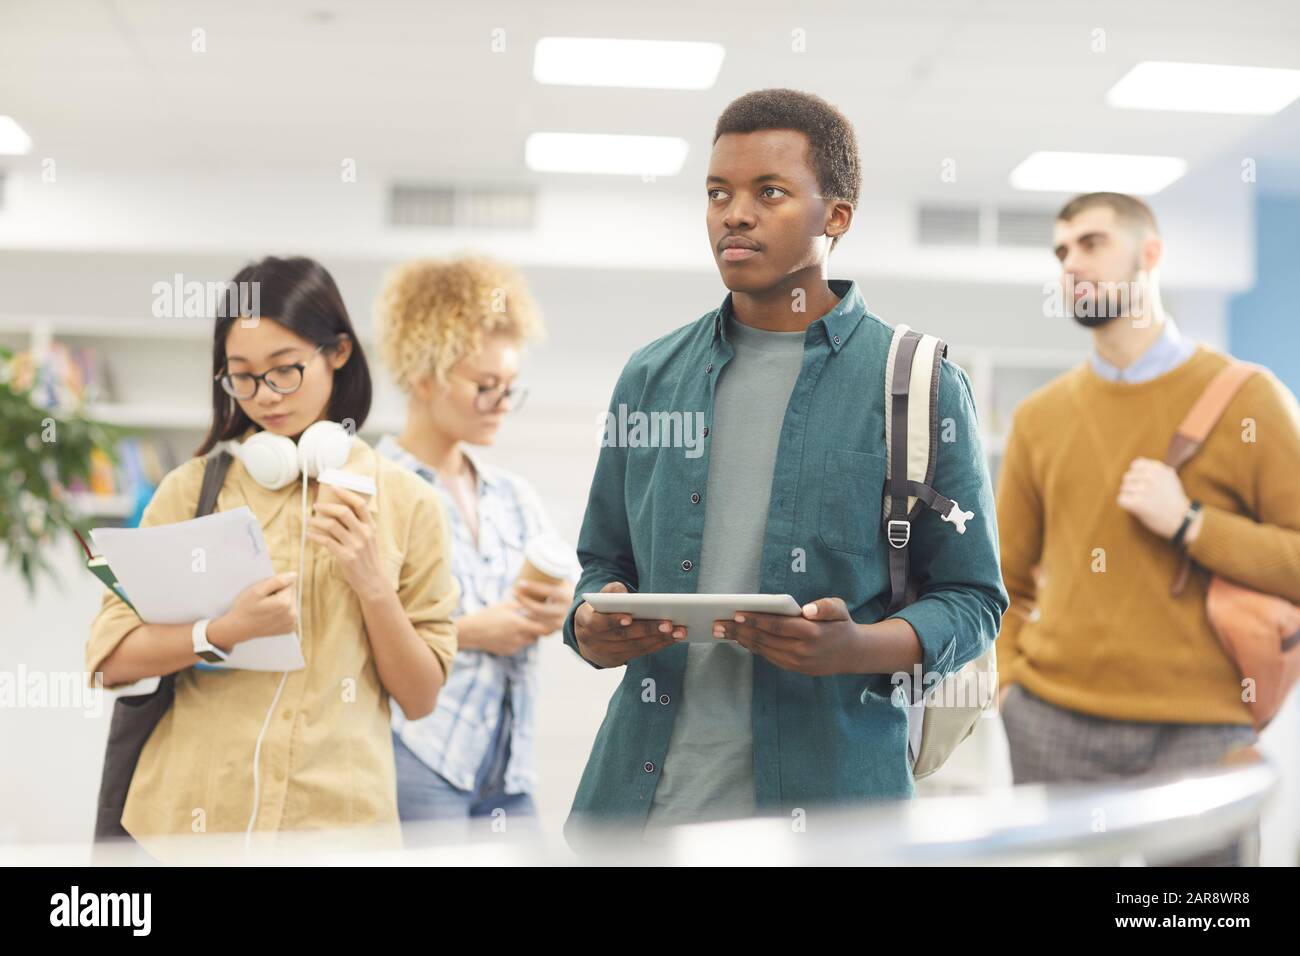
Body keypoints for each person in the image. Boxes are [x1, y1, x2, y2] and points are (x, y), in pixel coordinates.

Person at [561, 89, 1007, 842]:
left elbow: (973, 597)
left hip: (834, 818)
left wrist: (858, 648)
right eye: (717, 194)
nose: (734, 214)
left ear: (837, 215)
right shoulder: (651, 376)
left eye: (769, 192)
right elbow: (602, 561)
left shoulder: (917, 383)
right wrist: (589, 625)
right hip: (640, 814)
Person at [86, 256, 459, 853]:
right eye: (243, 376)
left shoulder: (410, 503)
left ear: (337, 353)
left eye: (285, 371)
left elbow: (419, 698)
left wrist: (372, 585)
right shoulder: (190, 490)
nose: (264, 395)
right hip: (190, 827)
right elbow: (110, 660)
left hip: (338, 833)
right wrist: (222, 630)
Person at [995, 192, 1300, 866]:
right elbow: (1005, 582)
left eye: (1093, 243)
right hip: (1054, 722)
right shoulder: (1039, 418)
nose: (1071, 263)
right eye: (1062, 251)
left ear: (1150, 254)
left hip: (1200, 733)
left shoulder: (1250, 398)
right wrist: (1011, 687)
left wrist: (1193, 523)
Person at [374, 255, 574, 841]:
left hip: (507, 767)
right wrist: (468, 632)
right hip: (417, 755)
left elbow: (555, 599)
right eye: (485, 387)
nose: (502, 404)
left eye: (511, 389)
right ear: (422, 373)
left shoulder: (513, 497)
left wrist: (558, 609)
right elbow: (348, 641)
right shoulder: (375, 488)